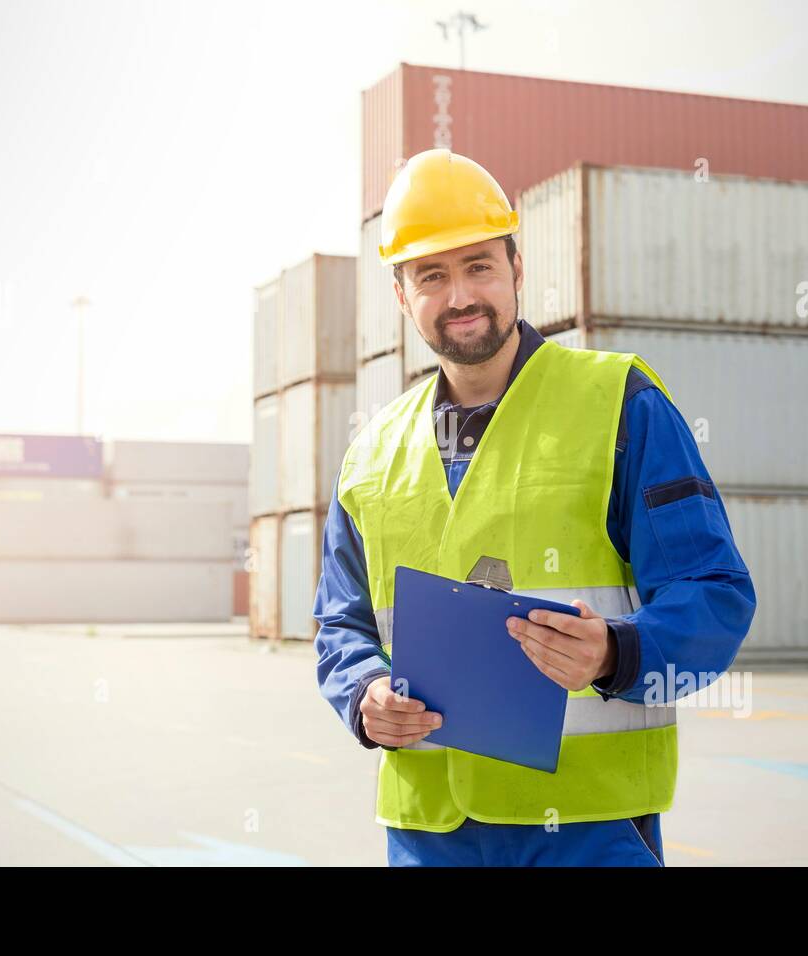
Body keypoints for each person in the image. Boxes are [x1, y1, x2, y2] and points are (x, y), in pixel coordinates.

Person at [314, 149, 755, 867]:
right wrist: (364, 693)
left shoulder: (620, 404)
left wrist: (618, 651)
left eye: (479, 266)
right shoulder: (370, 455)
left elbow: (716, 594)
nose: (460, 295)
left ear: (518, 272)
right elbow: (340, 622)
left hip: (589, 826)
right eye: (432, 275)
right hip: (428, 831)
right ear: (401, 296)